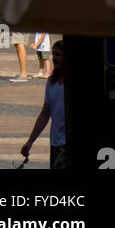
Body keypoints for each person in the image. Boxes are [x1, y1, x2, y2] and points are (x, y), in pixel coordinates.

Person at [21, 41, 66, 169]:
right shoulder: (51, 82)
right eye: (53, 54)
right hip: (55, 141)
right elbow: (45, 114)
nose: (55, 58)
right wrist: (30, 141)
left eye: (58, 55)